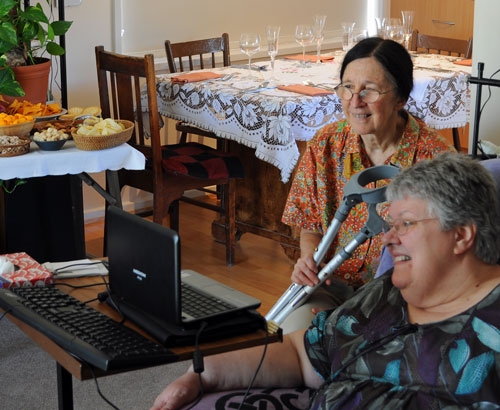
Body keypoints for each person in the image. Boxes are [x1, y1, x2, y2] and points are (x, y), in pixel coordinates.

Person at [151, 153, 500, 410]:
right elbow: (301, 356)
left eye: (405, 224)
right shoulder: (386, 293)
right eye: (390, 225)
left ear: (461, 235)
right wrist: (202, 374)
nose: (387, 239)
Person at [281, 37, 455, 333]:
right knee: (295, 336)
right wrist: (309, 260)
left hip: (397, 296)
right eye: (347, 87)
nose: (355, 101)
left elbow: (443, 255)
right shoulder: (325, 144)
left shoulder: (433, 162)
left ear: (400, 98)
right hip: (330, 285)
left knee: (353, 351)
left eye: (369, 90)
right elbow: (309, 224)